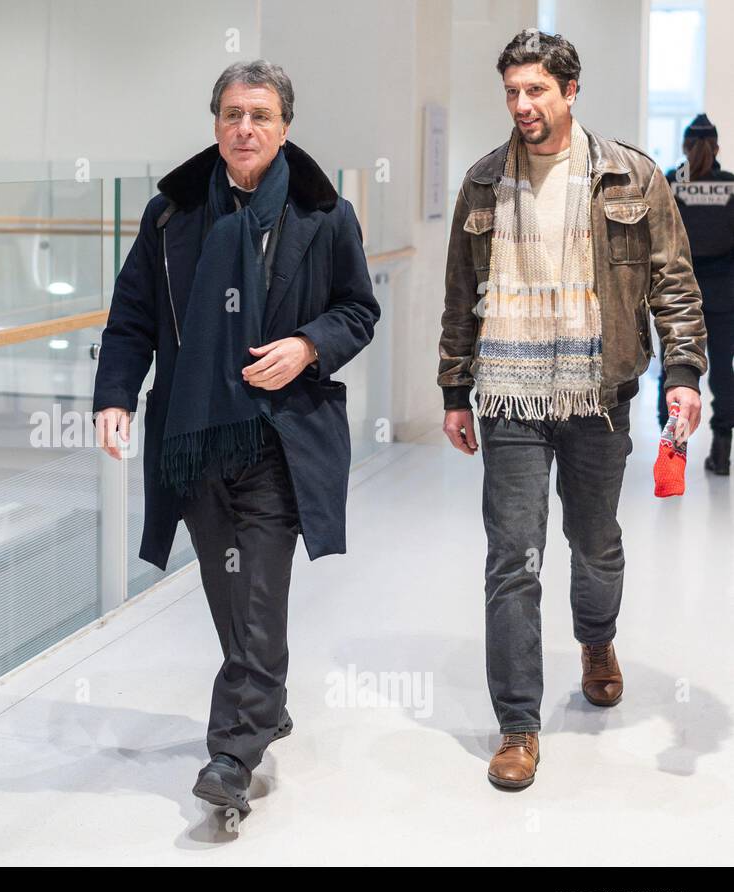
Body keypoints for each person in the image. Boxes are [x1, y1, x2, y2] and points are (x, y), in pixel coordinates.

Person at [92, 59, 378, 814]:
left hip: (281, 438)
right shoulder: (171, 217)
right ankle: (265, 703)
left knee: (257, 593)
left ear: (285, 126)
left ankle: (231, 754)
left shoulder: (324, 215)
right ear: (215, 124)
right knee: (229, 593)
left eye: (259, 114)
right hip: (194, 437)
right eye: (230, 114)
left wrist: (308, 345)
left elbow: (358, 309)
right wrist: (115, 395)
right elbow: (133, 316)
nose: (243, 128)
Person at [437, 31, 707, 790]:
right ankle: (518, 725)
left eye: (536, 92)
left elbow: (674, 285)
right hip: (510, 398)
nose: (523, 106)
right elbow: (461, 297)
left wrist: (682, 372)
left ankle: (596, 639)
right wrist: (456, 390)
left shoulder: (633, 177)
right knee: (512, 559)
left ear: (570, 90)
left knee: (595, 546)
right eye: (513, 93)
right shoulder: (484, 183)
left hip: (601, 397)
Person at [664, 114, 734, 474]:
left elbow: (659, 242)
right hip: (724, 293)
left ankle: (673, 454)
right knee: (724, 372)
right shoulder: (730, 184)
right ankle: (722, 451)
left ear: (685, 146)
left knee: (677, 369)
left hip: (679, 294)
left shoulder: (673, 181)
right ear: (717, 147)